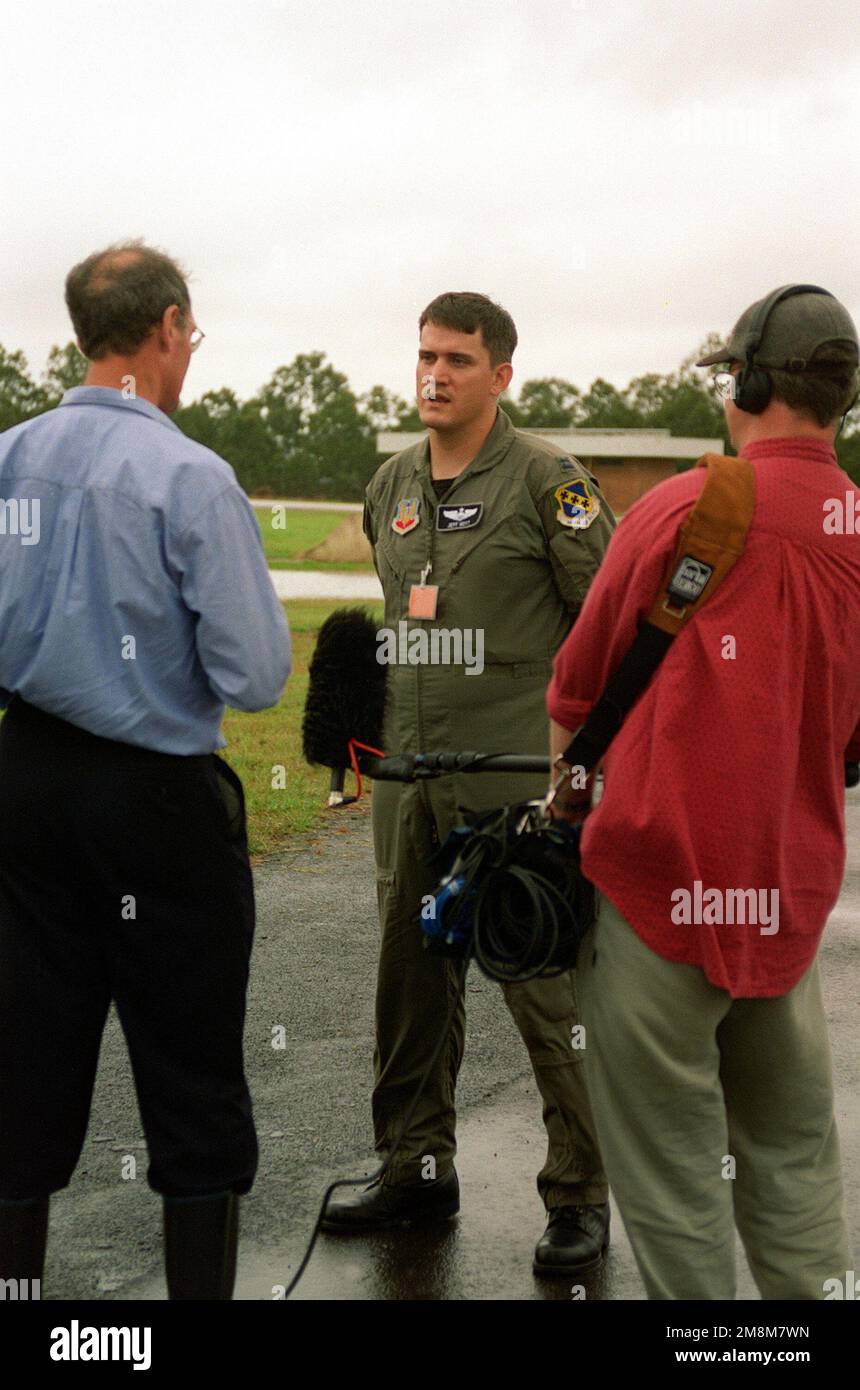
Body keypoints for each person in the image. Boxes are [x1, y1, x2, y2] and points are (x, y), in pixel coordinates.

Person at [546, 284, 860, 1299]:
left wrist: (568, 810)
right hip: (786, 900)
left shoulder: (687, 505)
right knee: (795, 1166)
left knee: (676, 1186)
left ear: (753, 380)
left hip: (652, 893)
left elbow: (573, 692)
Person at [0, 241, 292, 1299]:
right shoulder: (190, 475)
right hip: (157, 801)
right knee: (190, 1076)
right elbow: (256, 675)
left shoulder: (9, 456)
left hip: (27, 780)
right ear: (167, 325)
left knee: (25, 1058)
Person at [322, 291, 616, 1275]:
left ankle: (577, 1192)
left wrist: (583, 770)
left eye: (455, 358)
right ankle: (415, 1162)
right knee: (408, 978)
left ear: (500, 373)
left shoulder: (551, 483)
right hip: (409, 780)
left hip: (517, 782)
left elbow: (609, 629)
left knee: (541, 986)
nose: (433, 374)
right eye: (422, 356)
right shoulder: (389, 484)